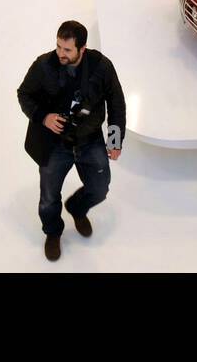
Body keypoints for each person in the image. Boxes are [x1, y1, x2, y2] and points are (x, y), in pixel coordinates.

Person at [16, 20, 126, 262]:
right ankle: (53, 232)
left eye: (67, 50)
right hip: (54, 144)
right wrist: (43, 117)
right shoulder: (43, 65)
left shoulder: (102, 67)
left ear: (82, 48)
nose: (60, 54)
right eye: (58, 47)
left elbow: (116, 102)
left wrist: (115, 140)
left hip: (89, 139)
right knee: (48, 196)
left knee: (99, 187)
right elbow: (24, 94)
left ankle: (76, 207)